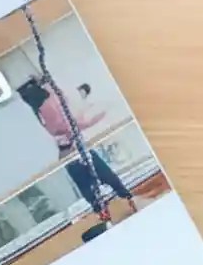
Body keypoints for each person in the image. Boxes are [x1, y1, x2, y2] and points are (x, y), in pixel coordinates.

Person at [18, 79, 137, 216]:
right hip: (72, 152)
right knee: (97, 182)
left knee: (102, 179)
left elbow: (67, 124)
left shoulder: (52, 105)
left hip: (75, 150)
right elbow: (64, 127)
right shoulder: (49, 109)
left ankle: (121, 202)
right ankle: (113, 205)